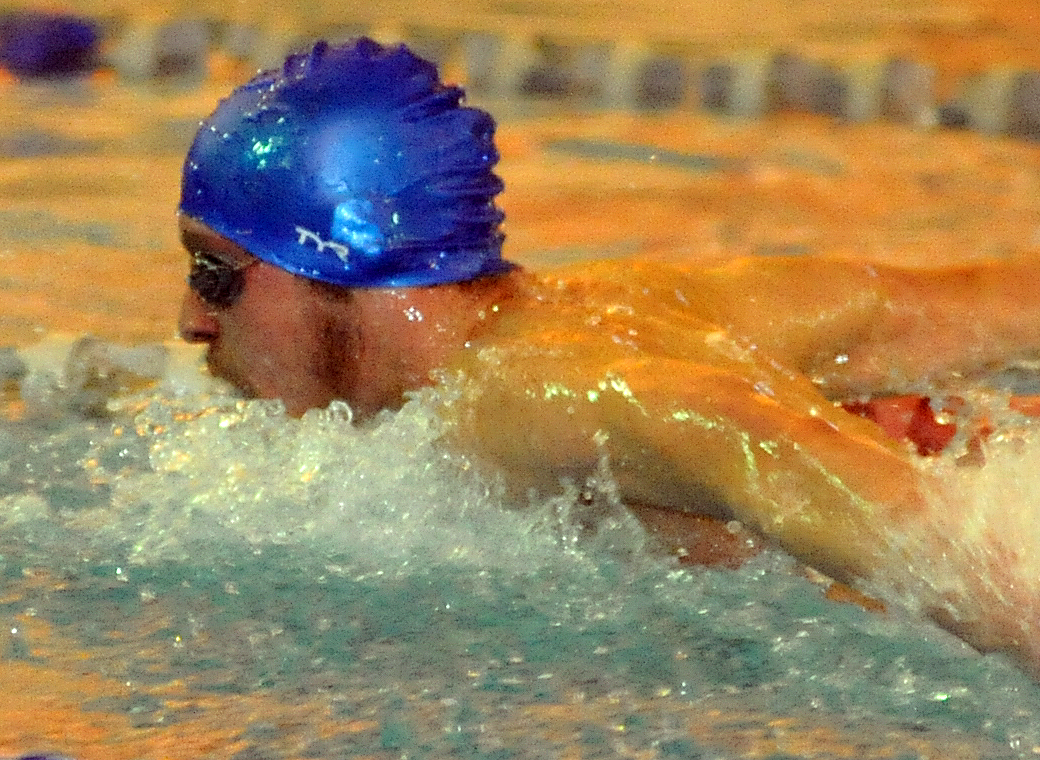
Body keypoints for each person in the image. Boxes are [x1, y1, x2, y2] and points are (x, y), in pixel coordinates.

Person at [178, 38, 1040, 676]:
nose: (189, 320)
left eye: (215, 272)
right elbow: (981, 303)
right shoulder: (630, 303)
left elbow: (743, 432)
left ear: (337, 262)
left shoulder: (516, 402)